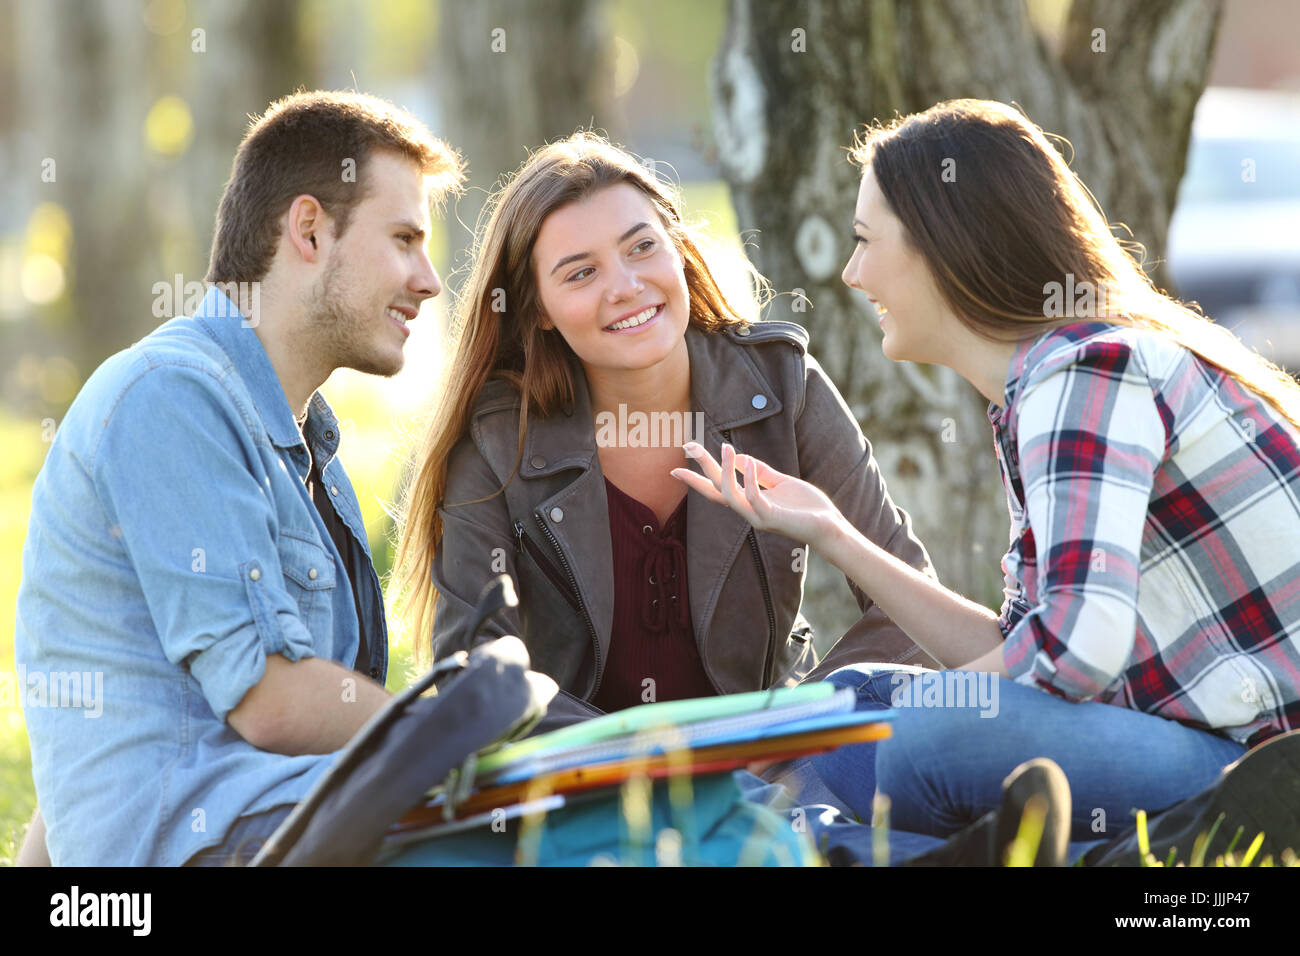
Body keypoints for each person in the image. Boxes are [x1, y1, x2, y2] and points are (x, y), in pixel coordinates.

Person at [672, 98, 1300, 859]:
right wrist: (833, 533)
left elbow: (1073, 650)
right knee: (850, 701)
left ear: (944, 246)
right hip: (1194, 743)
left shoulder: (1086, 372)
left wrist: (920, 709)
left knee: (925, 735)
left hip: (1260, 769)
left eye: (867, 241)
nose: (852, 272)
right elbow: (1023, 646)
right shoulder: (1040, 388)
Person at [14, 90, 464, 865]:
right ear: (310, 230)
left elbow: (97, 759)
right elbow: (269, 697)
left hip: (280, 828)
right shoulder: (169, 397)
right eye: (404, 239)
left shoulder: (305, 443)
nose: (428, 278)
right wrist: (445, 734)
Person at [394, 132, 940, 719]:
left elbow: (910, 606)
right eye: (581, 274)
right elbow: (476, 677)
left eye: (642, 247)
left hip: (780, 772)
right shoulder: (496, 440)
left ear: (677, 249)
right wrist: (640, 766)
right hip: (586, 782)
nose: (626, 287)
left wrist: (788, 737)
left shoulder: (782, 385)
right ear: (537, 311)